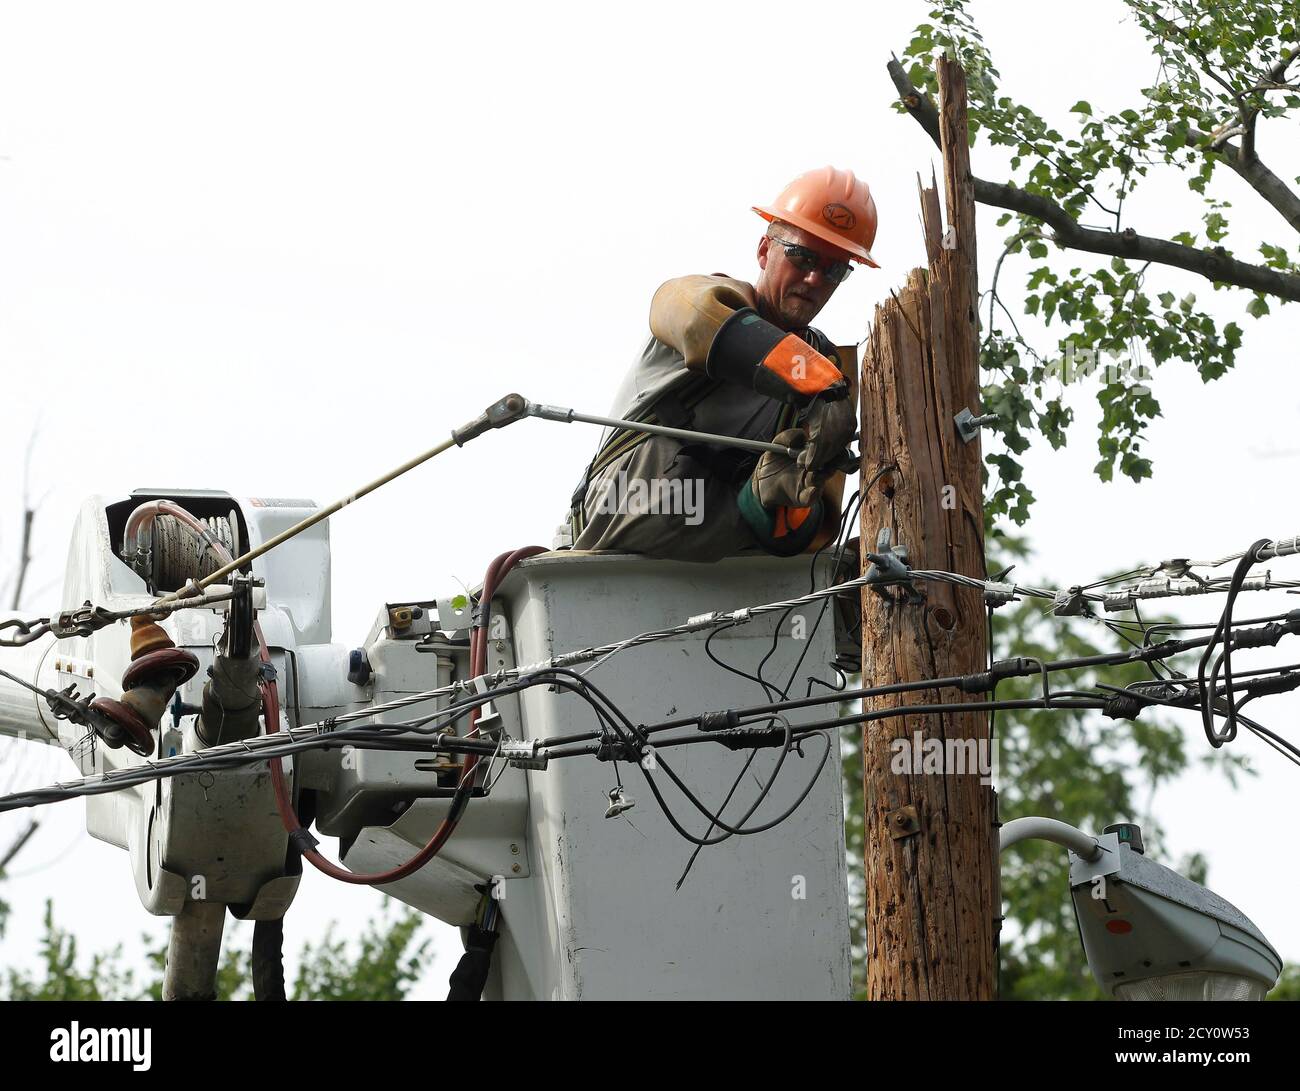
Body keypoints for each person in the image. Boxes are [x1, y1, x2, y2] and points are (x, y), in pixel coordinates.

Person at [566, 166, 879, 562]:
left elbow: (811, 529)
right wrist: (817, 384)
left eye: (834, 269)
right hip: (627, 507)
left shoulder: (831, 374)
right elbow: (696, 318)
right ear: (765, 250)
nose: (815, 278)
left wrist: (772, 501)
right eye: (802, 257)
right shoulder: (702, 299)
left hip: (720, 573)